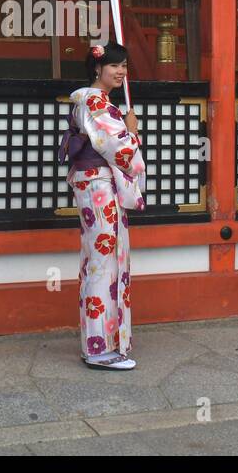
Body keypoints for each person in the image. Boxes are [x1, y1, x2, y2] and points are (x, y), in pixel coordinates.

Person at [62, 41, 146, 370]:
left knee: (102, 259)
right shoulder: (94, 100)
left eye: (124, 65)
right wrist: (132, 132)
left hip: (97, 185)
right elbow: (118, 147)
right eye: (114, 65)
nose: (121, 71)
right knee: (101, 261)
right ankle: (98, 348)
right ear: (98, 68)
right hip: (98, 185)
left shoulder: (97, 101)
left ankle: (104, 342)